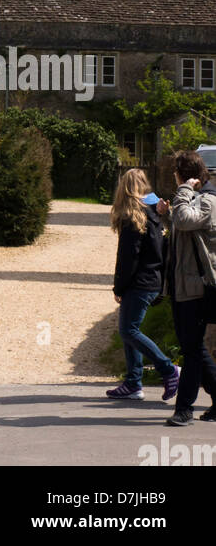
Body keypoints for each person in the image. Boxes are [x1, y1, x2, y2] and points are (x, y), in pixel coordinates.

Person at [106, 168, 181, 401]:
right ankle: (133, 382)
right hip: (152, 281)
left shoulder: (132, 218)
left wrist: (118, 287)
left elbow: (127, 259)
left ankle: (168, 369)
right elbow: (161, 251)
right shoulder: (154, 214)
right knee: (129, 330)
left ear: (124, 188)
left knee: (129, 330)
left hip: (138, 283)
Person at [160, 150, 216, 427]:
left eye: (176, 175)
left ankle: (184, 409)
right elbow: (183, 227)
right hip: (182, 285)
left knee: (192, 350)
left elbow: (186, 220)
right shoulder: (195, 198)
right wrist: (166, 214)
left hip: (197, 287)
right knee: (192, 347)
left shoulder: (208, 200)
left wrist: (182, 191)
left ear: (183, 174)